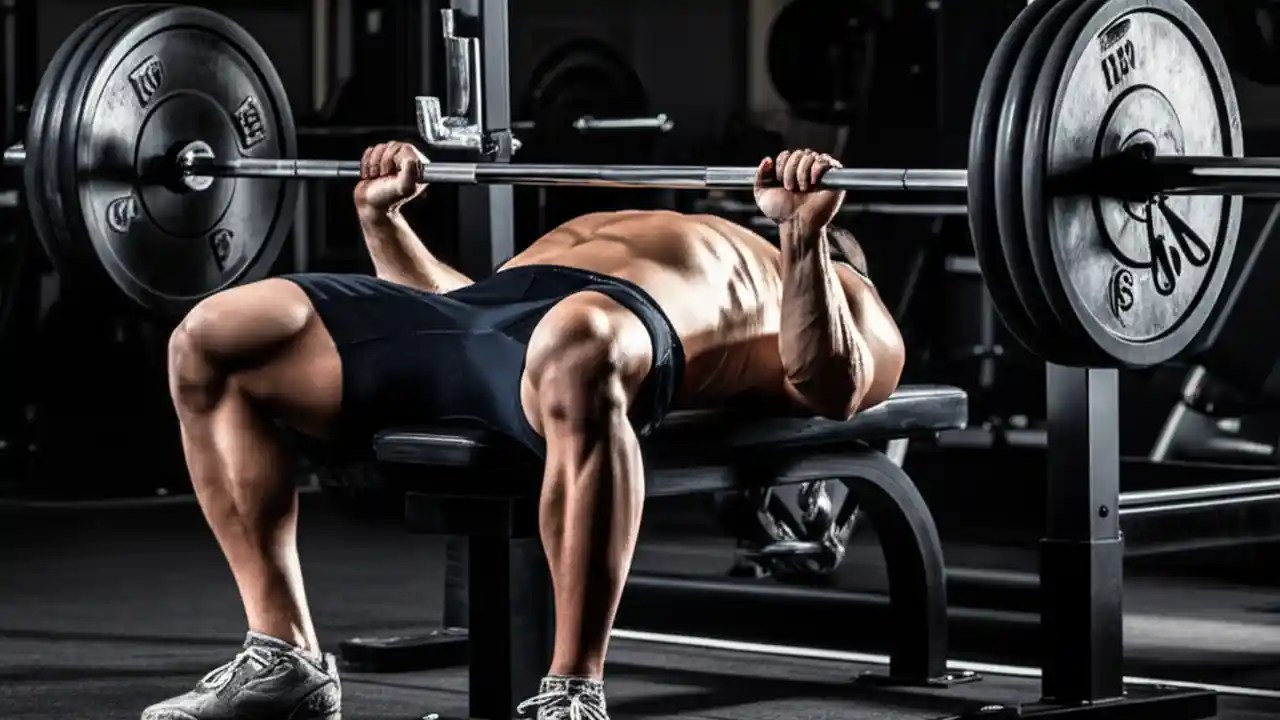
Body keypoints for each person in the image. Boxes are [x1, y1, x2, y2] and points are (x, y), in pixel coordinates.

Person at [143, 143, 905, 720]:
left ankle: (572, 690)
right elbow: (458, 313)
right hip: (493, 318)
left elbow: (831, 388)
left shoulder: (836, 282)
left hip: (595, 332)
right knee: (213, 337)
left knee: (577, 344)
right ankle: (286, 657)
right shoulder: (675, 228)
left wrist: (806, 238)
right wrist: (382, 219)